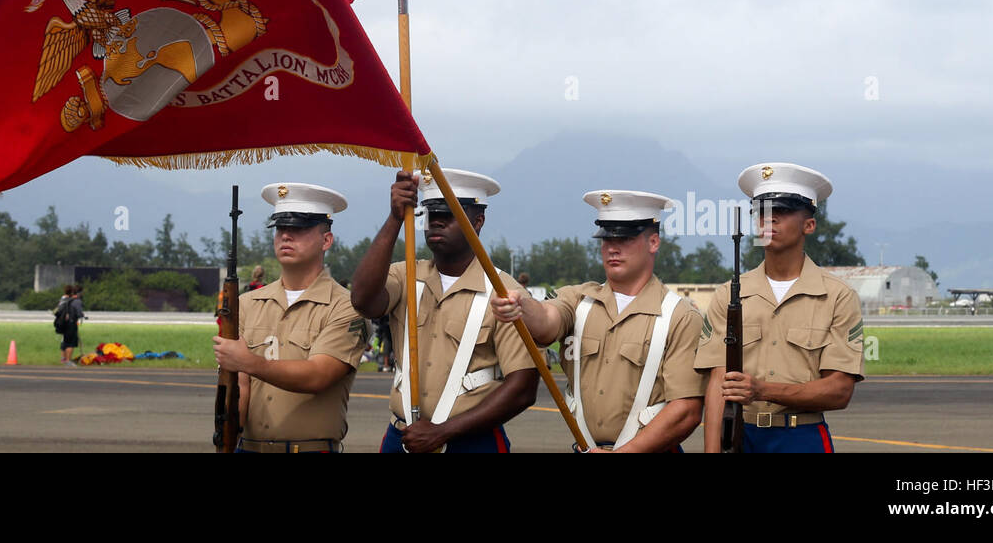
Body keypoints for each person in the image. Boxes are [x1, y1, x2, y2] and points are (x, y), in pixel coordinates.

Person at [492, 190, 706, 452]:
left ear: (653, 242)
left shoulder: (680, 317)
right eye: (605, 239)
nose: (612, 248)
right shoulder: (578, 299)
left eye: (625, 238)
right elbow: (548, 321)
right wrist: (521, 305)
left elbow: (686, 411)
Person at [351, 168, 539, 454]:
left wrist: (443, 432)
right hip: (403, 436)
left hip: (471, 441)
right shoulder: (406, 276)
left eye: (449, 214)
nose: (436, 222)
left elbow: (523, 388)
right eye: (431, 213)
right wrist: (394, 218)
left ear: (478, 221)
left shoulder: (504, 293)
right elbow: (363, 300)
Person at [696, 163, 864, 453]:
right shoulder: (728, 294)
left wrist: (763, 390)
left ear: (808, 225)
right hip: (739, 435)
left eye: (781, 213)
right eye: (761, 213)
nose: (768, 220)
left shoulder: (837, 296)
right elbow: (717, 386)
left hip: (801, 436)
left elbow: (839, 390)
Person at [212, 183, 368, 453]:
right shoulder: (247, 304)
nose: (286, 236)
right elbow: (240, 386)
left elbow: (318, 376)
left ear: (326, 240)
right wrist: (227, 434)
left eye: (299, 228)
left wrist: (248, 362)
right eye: (280, 229)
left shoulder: (345, 307)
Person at [57, 284, 84, 364]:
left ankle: (63, 359)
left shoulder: (64, 299)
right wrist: (82, 315)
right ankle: (68, 361)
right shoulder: (76, 301)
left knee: (64, 341)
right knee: (71, 343)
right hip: (71, 324)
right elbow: (79, 314)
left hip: (63, 324)